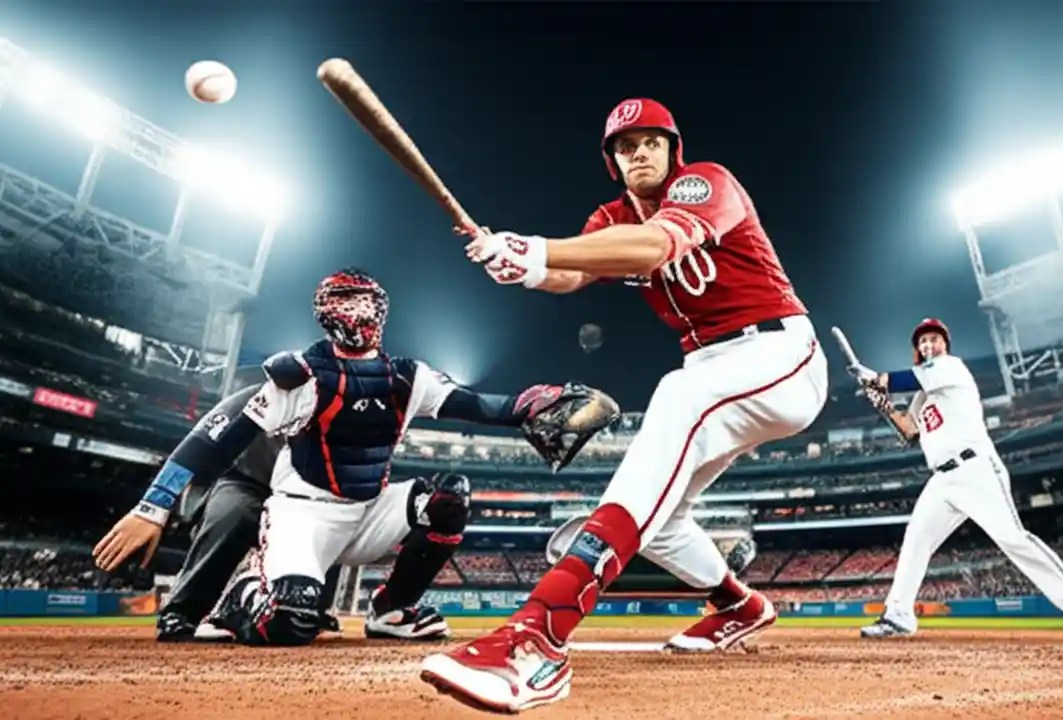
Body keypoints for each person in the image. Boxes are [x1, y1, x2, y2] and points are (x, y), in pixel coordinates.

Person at [420, 98, 828, 713]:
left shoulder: (705, 182)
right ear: (611, 160)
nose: (637, 151)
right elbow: (571, 274)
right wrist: (518, 266)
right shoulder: (609, 215)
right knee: (658, 519)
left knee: (675, 396)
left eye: (649, 141)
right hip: (711, 366)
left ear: (672, 148)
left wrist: (536, 248)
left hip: (779, 352)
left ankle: (539, 634)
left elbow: (653, 248)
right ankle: (739, 603)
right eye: (623, 145)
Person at [99, 267, 616, 647]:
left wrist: (534, 402)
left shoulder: (408, 377)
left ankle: (392, 610)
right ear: (326, 312)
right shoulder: (296, 377)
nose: (357, 312)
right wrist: (153, 507)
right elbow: (214, 443)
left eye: (364, 300)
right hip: (302, 513)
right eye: (346, 301)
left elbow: (481, 406)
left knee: (448, 497)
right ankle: (241, 599)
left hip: (367, 510)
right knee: (290, 624)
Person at [847, 318, 1063, 641]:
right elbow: (908, 430)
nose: (928, 345)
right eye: (923, 342)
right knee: (916, 538)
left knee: (1013, 538)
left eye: (934, 339)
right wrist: (882, 403)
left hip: (974, 469)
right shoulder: (922, 395)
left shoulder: (951, 367)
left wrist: (875, 379)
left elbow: (901, 379)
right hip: (942, 479)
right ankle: (898, 615)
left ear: (945, 345)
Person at [93, 382, 357, 642]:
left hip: (307, 497)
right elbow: (200, 442)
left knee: (333, 521)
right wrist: (153, 507)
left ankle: (310, 608)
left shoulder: (364, 412)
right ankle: (183, 612)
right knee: (235, 513)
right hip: (249, 482)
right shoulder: (270, 392)